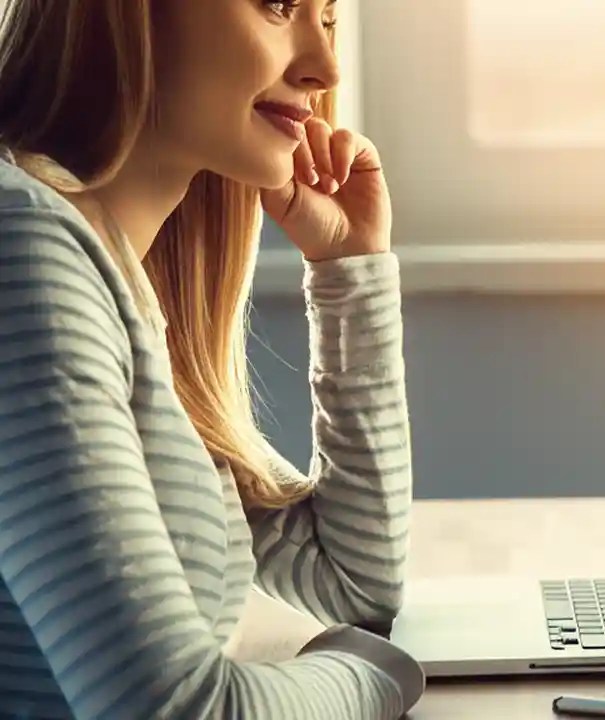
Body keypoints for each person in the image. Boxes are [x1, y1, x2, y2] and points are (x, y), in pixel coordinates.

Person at [0, 0, 426, 717]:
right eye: (279, 5)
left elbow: (347, 586)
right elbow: (178, 710)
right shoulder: (23, 253)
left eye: (326, 18)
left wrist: (352, 269)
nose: (323, 68)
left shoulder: (110, 271)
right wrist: (379, 674)